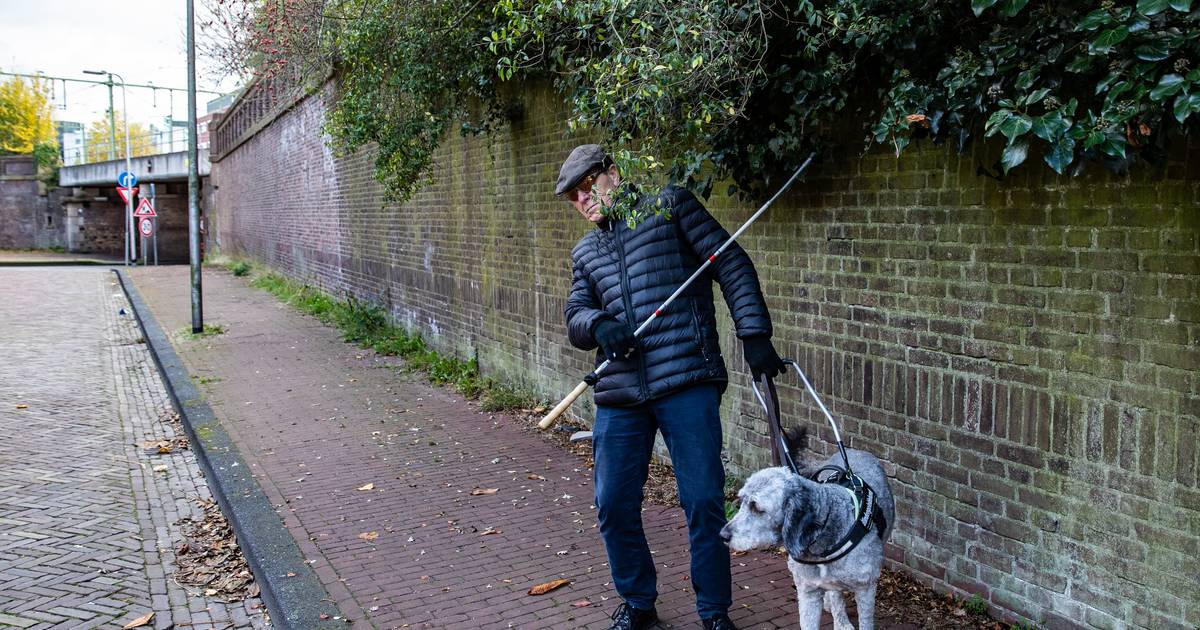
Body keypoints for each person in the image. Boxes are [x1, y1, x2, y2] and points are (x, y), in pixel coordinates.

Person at [556, 144, 786, 630]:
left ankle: (714, 613)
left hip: (686, 378)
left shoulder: (669, 206)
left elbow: (731, 262)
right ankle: (638, 603)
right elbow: (575, 315)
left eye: (587, 185)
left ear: (612, 173)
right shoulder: (586, 253)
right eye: (574, 196)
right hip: (620, 393)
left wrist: (754, 333)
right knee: (613, 503)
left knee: (703, 500)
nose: (584, 200)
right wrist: (599, 325)